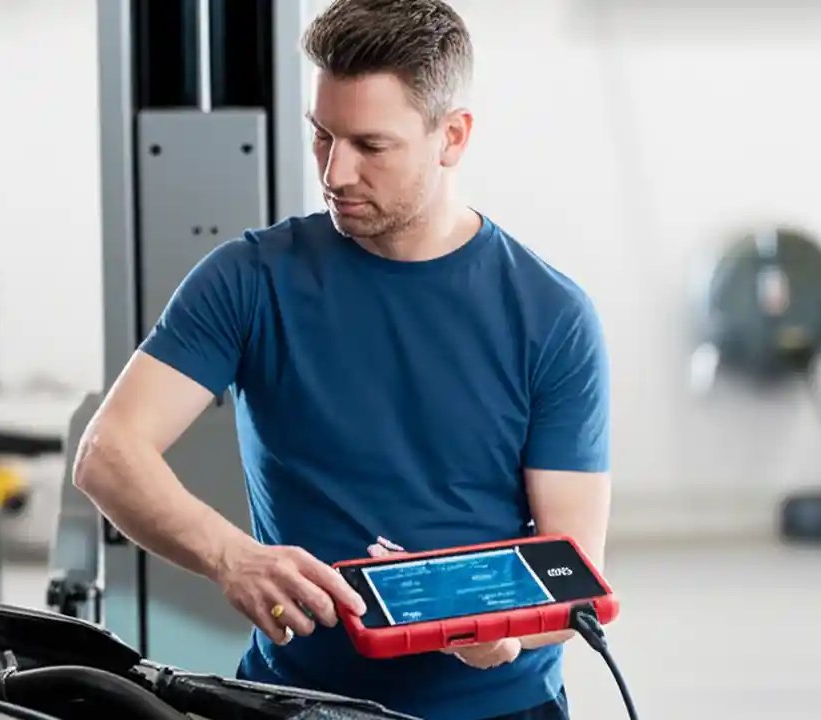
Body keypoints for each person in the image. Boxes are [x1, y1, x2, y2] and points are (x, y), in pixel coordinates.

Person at [72, 0, 611, 718]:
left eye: (370, 145)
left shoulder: (551, 317)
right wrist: (233, 556)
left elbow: (570, 569)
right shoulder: (250, 279)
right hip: (294, 701)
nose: (336, 171)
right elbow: (108, 453)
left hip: (496, 706)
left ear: (452, 137)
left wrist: (493, 634)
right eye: (322, 137)